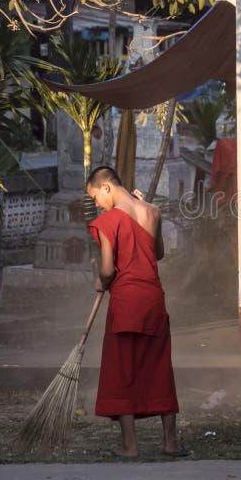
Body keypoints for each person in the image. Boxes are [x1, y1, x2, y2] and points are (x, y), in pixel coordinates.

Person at [86, 166, 187, 459]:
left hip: (127, 302)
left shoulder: (108, 221)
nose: (96, 204)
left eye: (95, 197)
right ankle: (171, 443)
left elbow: (107, 270)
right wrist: (139, 205)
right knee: (159, 370)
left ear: (107, 187)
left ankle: (130, 446)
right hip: (153, 300)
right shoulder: (152, 211)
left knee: (122, 373)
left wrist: (100, 281)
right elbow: (157, 253)